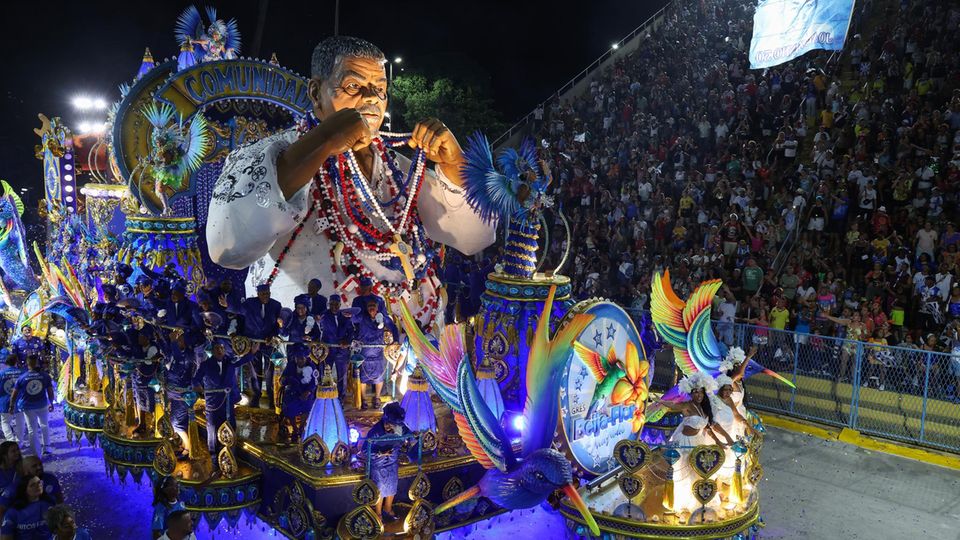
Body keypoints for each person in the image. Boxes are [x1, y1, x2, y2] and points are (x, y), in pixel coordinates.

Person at [206, 35, 495, 321]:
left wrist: (456, 164)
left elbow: (474, 237)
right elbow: (228, 246)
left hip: (409, 348)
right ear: (316, 92)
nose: (371, 98)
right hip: (316, 348)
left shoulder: (398, 167)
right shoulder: (269, 155)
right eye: (354, 86)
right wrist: (324, 141)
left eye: (379, 89)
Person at [655, 373, 733, 514]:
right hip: (685, 443)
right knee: (685, 473)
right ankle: (682, 504)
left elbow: (709, 428)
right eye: (695, 392)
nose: (698, 395)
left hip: (698, 443)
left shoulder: (704, 408)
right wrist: (660, 402)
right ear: (691, 394)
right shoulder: (688, 405)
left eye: (701, 392)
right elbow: (673, 405)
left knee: (698, 473)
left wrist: (720, 441)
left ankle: (698, 501)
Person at [192, 339, 258, 465]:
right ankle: (214, 457)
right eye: (217, 348)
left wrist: (252, 353)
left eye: (222, 348)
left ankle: (230, 455)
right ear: (213, 350)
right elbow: (196, 379)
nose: (220, 351)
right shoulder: (206, 365)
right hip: (213, 404)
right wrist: (197, 386)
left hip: (228, 403)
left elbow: (242, 360)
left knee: (230, 428)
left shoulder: (229, 362)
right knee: (212, 430)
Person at [366, 402, 415, 521]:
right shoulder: (375, 432)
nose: (393, 427)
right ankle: (378, 514)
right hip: (378, 464)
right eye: (391, 425)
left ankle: (388, 508)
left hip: (392, 462)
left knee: (392, 487)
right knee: (380, 489)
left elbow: (409, 436)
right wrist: (382, 454)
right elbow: (365, 451)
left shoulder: (399, 427)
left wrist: (411, 440)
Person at [239, 284, 283, 408]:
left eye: (268, 293)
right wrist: (243, 336)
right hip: (253, 343)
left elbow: (277, 325)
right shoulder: (249, 303)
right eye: (263, 294)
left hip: (268, 344)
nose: (266, 296)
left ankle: (270, 396)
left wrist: (273, 335)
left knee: (269, 371)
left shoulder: (276, 305)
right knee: (254, 371)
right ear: (258, 294)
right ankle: (256, 395)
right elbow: (240, 316)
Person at [355, 299, 397, 409]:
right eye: (369, 305)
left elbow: (393, 327)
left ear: (377, 307)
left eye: (373, 305)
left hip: (378, 353)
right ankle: (363, 399)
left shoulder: (383, 317)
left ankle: (377, 397)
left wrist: (395, 341)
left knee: (379, 377)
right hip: (364, 353)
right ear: (367, 307)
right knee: (363, 378)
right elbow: (353, 319)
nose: (371, 308)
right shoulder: (362, 317)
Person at [164, 330, 199, 459]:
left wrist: (173, 341)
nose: (178, 342)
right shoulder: (177, 354)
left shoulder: (188, 356)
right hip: (174, 393)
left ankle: (189, 449)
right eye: (177, 341)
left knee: (176, 423)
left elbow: (179, 360)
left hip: (181, 394)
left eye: (180, 340)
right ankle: (185, 446)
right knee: (178, 422)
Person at [7, 357, 53, 457]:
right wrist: (51, 403)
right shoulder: (45, 376)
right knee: (44, 424)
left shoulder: (22, 377)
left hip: (27, 406)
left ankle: (36, 454)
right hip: (42, 404)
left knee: (32, 429)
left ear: (27, 364)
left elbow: (14, 394)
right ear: (37, 363)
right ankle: (47, 447)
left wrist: (11, 406)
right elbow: (50, 391)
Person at [278, 348, 318, 442]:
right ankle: (295, 430)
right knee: (290, 405)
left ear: (306, 358)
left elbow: (314, 382)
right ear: (295, 358)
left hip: (306, 392)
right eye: (298, 358)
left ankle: (301, 429)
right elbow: (283, 379)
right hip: (293, 391)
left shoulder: (312, 366)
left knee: (307, 404)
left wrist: (308, 392)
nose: (300, 361)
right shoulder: (291, 366)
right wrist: (285, 380)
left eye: (302, 358)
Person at [0, 475, 53, 540]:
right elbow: (6, 537)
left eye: (39, 482)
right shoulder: (13, 512)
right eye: (32, 485)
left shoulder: (50, 504)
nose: (38, 485)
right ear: (24, 489)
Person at [318, 295, 352, 398]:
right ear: (328, 304)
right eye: (331, 304)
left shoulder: (345, 316)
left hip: (342, 350)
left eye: (336, 304)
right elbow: (322, 330)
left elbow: (350, 331)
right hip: (328, 350)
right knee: (325, 373)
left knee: (342, 375)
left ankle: (341, 397)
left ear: (340, 305)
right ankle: (325, 395)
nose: (334, 306)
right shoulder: (324, 316)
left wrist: (347, 341)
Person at [0, 355, 25, 444]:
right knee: (20, 421)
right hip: (19, 402)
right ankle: (19, 442)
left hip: (4, 402)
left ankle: (11, 440)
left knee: (5, 422)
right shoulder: (22, 373)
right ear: (16, 361)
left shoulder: (1, 374)